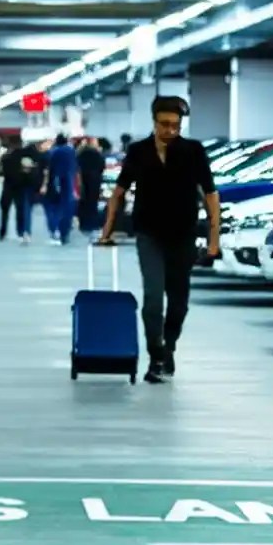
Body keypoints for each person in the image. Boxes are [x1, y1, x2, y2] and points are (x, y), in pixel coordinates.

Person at [99, 95, 220, 384]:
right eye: (165, 124)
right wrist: (107, 231)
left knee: (179, 302)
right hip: (149, 233)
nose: (170, 130)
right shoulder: (139, 151)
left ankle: (170, 346)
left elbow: (211, 195)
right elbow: (119, 192)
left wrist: (214, 240)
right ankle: (156, 355)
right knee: (153, 298)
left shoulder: (193, 151)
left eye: (176, 125)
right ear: (154, 122)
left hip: (183, 235)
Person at [41, 133, 78, 246]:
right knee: (66, 209)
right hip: (69, 183)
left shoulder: (53, 152)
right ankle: (65, 233)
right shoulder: (71, 152)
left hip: (56, 183)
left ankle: (55, 230)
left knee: (52, 209)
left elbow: (50, 169)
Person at [0, 137, 32, 243]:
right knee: (20, 210)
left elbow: (0, 171)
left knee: (4, 211)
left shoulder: (5, 157)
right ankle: (20, 232)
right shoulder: (24, 157)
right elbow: (28, 172)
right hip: (20, 187)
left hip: (8, 186)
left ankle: (2, 232)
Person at [76, 137, 106, 237]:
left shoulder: (80, 153)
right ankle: (93, 225)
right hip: (95, 181)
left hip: (83, 181)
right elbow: (102, 166)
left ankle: (83, 224)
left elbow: (76, 167)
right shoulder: (97, 153)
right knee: (93, 204)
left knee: (84, 203)